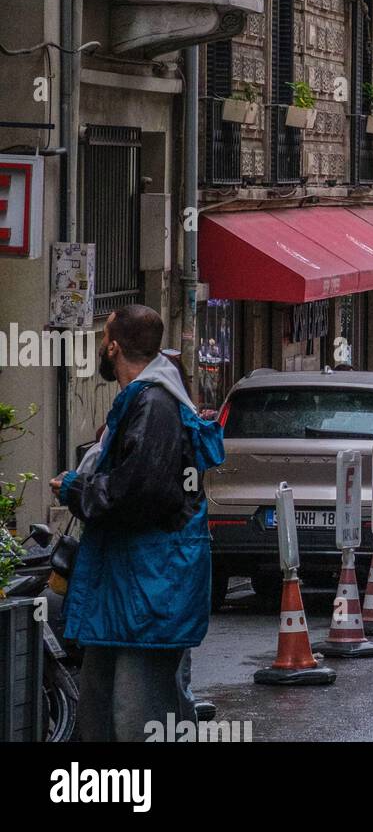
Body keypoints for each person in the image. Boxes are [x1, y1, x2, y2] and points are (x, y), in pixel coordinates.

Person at [49, 305, 225, 742]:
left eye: (104, 337)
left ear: (112, 346)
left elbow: (139, 493)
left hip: (148, 588)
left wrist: (75, 489)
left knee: (136, 718)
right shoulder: (150, 399)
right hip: (134, 586)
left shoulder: (154, 404)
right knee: (104, 710)